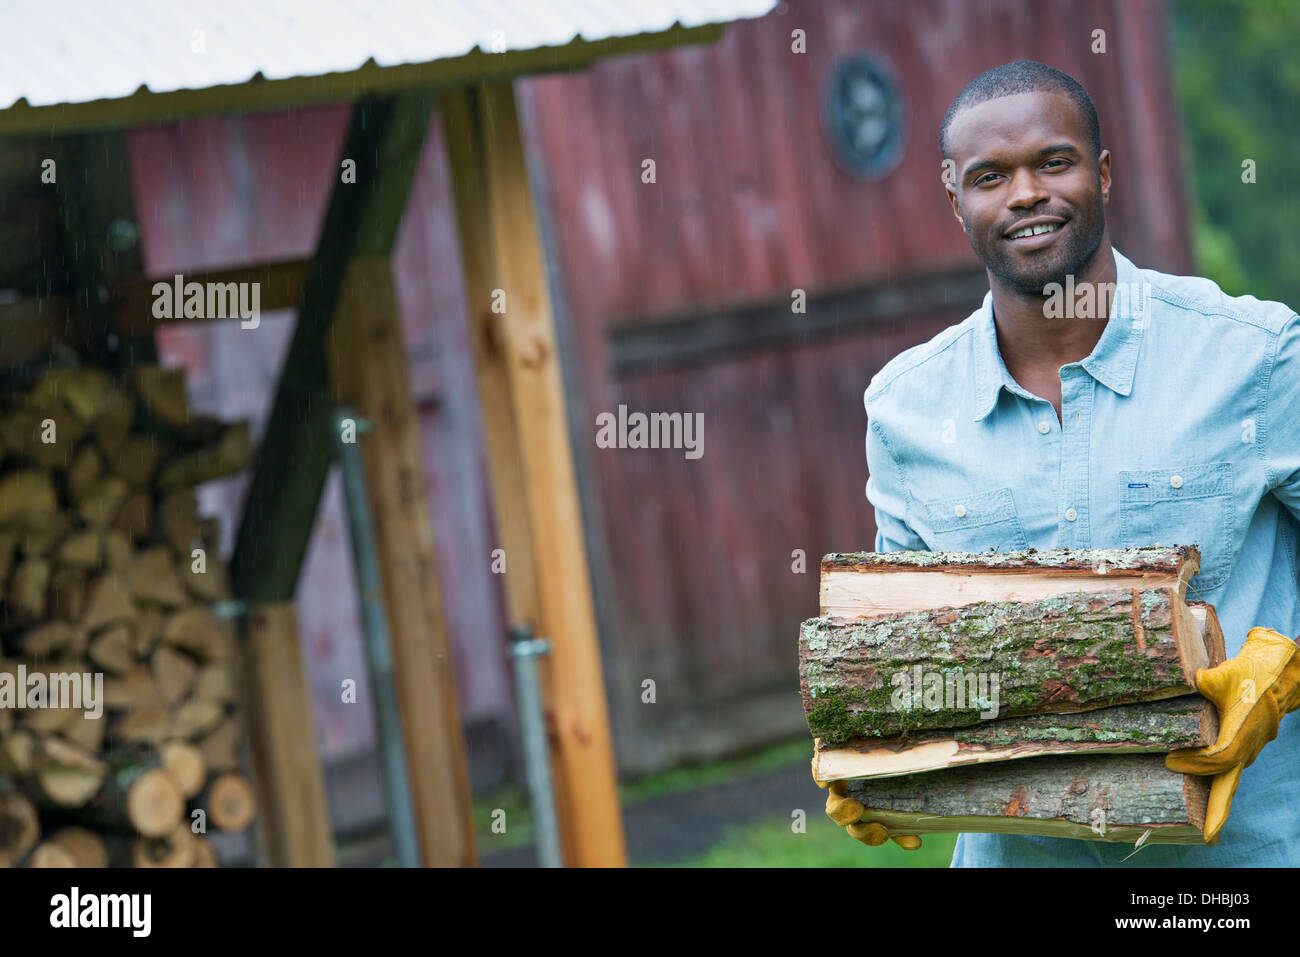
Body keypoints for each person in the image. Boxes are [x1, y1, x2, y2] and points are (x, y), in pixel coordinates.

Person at [826, 60, 1300, 866]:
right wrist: (874, 747)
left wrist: (1281, 663)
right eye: (989, 176)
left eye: (1054, 162)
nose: (1025, 195)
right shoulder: (906, 408)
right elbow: (900, 645)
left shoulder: (1252, 358)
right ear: (955, 200)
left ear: (1103, 173)